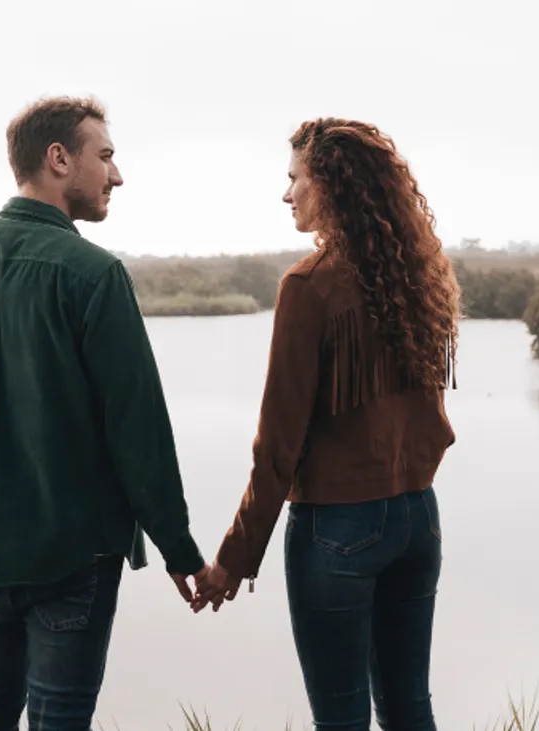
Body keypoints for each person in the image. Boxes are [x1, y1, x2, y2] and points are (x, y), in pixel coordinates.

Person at [0, 96, 206, 731]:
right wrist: (180, 551)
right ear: (58, 159)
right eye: (106, 157)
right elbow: (139, 433)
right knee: (60, 718)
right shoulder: (94, 274)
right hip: (73, 553)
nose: (116, 176)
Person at [194, 117, 460, 731]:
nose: (287, 194)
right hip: (419, 519)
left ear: (332, 186)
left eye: (295, 179)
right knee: (409, 706)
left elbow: (278, 446)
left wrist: (232, 560)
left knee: (340, 719)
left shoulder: (308, 287)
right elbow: (433, 421)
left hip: (338, 527)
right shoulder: (419, 277)